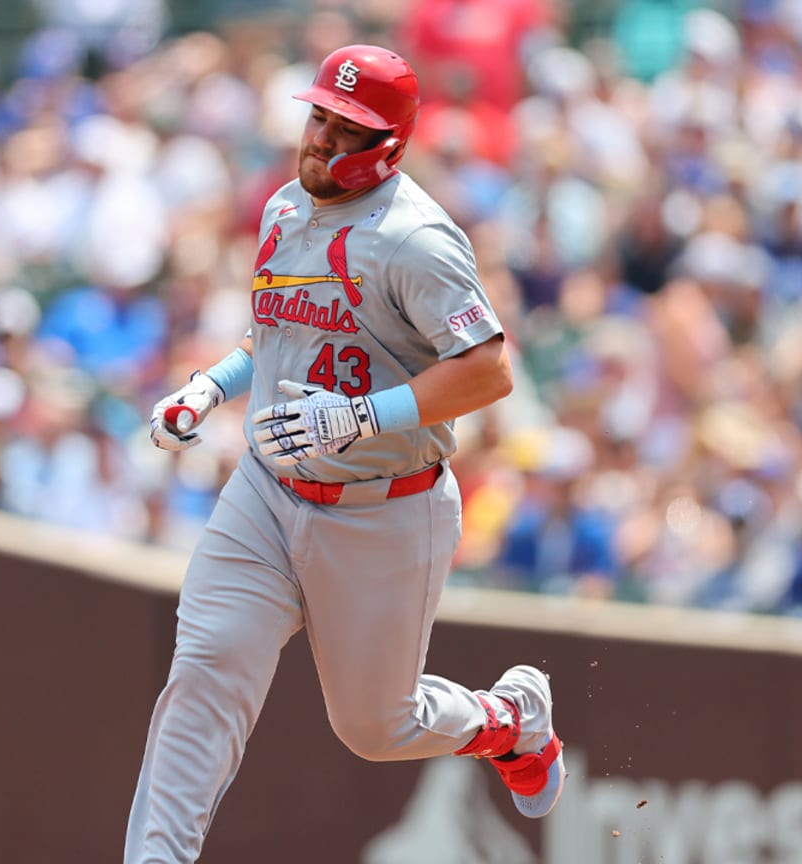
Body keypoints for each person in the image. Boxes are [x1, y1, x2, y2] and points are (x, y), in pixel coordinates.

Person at [125, 45, 567, 862]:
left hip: (384, 506)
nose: (323, 138)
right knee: (206, 671)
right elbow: (275, 335)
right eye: (320, 115)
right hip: (268, 488)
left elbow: (488, 370)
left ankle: (505, 720)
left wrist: (365, 415)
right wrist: (210, 388)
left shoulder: (417, 238)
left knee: (375, 727)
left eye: (348, 127)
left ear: (390, 144)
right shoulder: (286, 209)